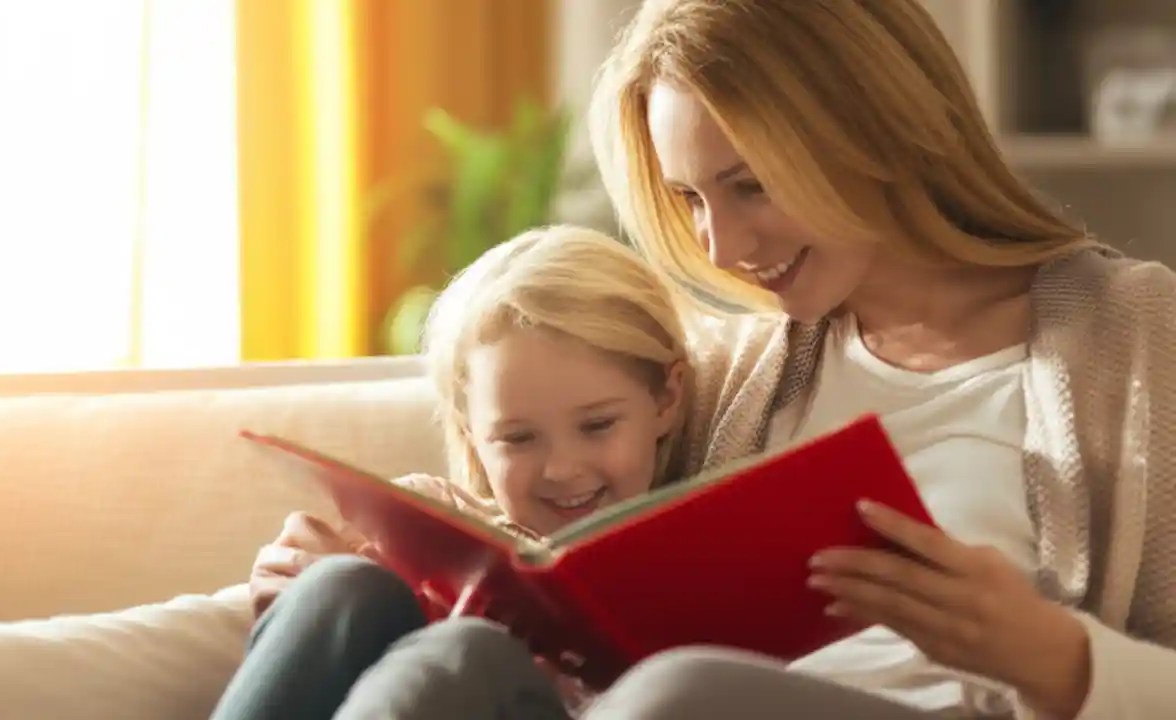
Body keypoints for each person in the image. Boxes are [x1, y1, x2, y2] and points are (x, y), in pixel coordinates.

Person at [323, 0, 1176, 718]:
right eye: (690, 197)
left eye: (751, 185)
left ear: (877, 128)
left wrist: (1063, 660)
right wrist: (362, 553)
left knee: (677, 692)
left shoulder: (1136, 336)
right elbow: (561, 545)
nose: (720, 247)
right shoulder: (730, 373)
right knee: (452, 661)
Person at [209, 225, 691, 719]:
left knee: (472, 651)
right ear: (472, 430)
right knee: (344, 584)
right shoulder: (421, 520)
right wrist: (295, 583)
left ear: (666, 400)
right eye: (518, 438)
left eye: (597, 425)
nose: (562, 468)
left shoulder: (695, 562)